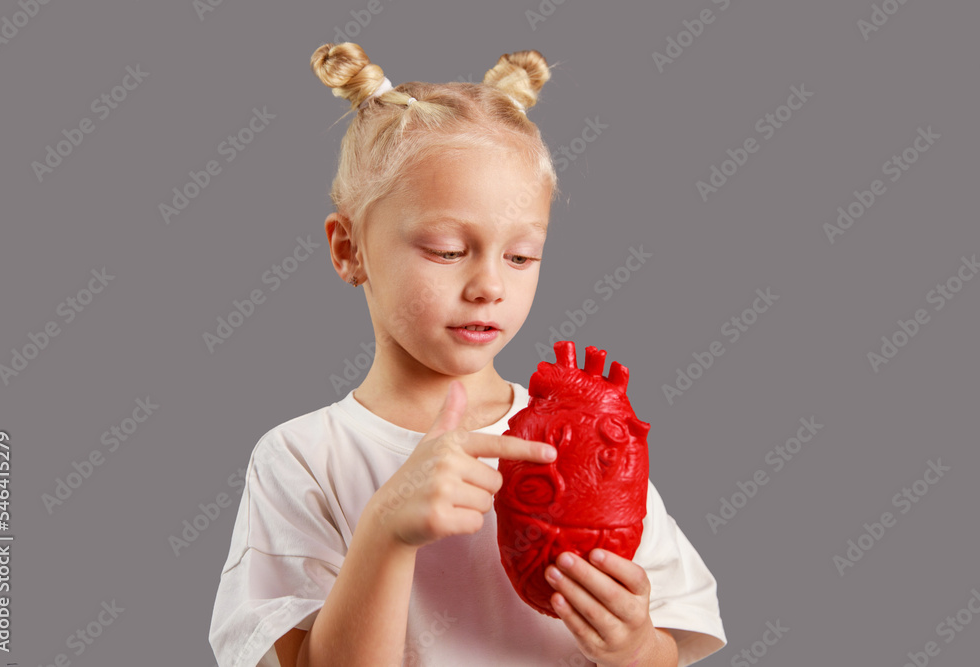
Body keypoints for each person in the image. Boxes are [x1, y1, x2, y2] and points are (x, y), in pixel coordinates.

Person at [208, 41, 727, 667]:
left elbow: (667, 646)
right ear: (349, 250)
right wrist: (386, 531)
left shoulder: (581, 441)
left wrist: (637, 645)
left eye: (521, 256)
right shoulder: (304, 460)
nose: (490, 286)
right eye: (448, 250)